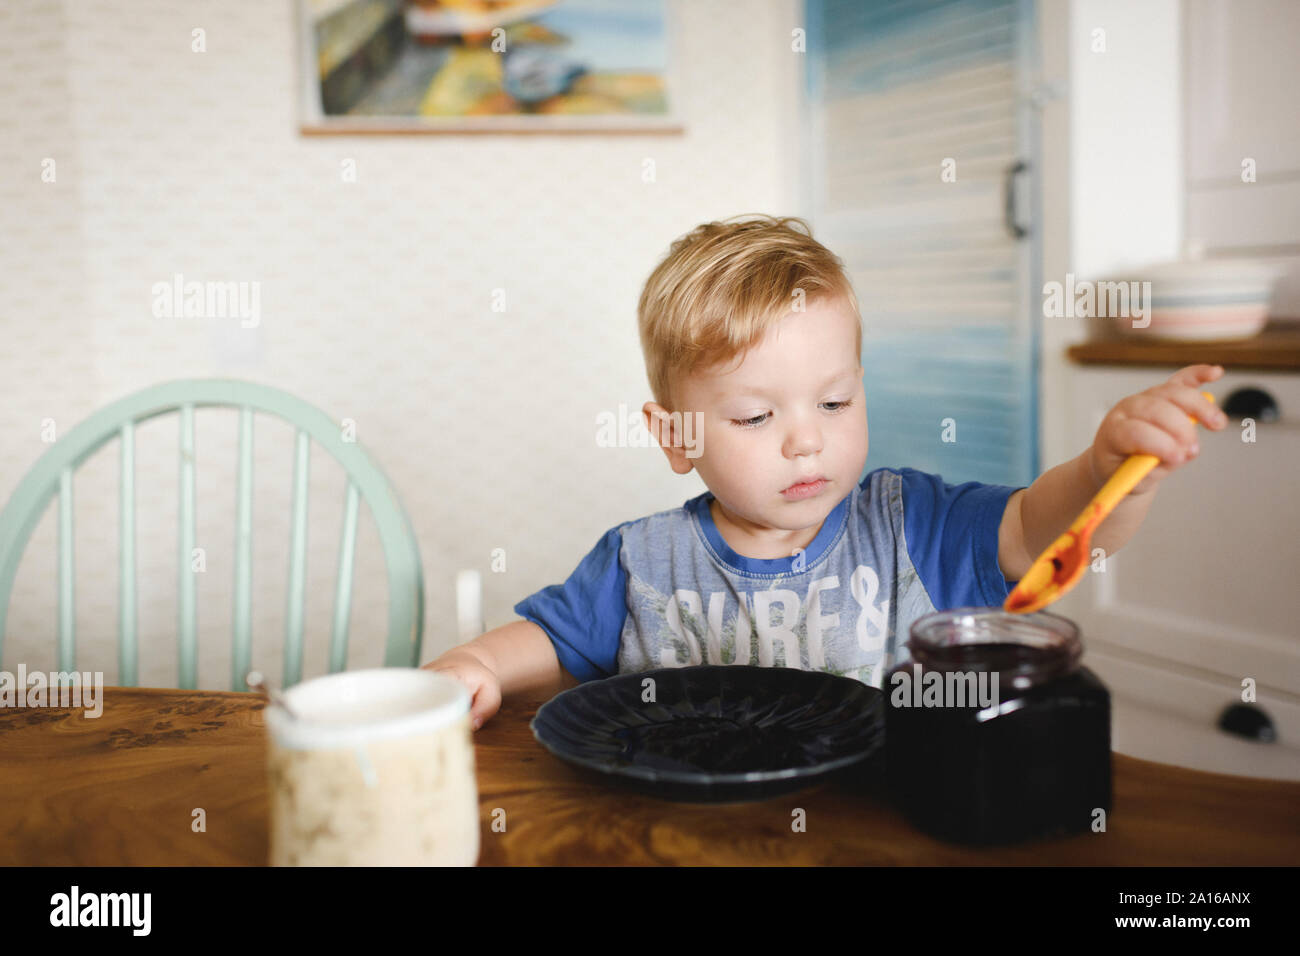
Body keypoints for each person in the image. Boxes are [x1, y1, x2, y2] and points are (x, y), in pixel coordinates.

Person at [423, 214, 1226, 729]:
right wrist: (475, 667)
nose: (806, 443)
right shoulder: (642, 564)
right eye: (755, 417)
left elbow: (1043, 528)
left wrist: (1106, 471)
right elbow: (554, 642)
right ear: (676, 437)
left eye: (835, 403)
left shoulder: (914, 521)